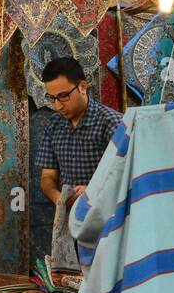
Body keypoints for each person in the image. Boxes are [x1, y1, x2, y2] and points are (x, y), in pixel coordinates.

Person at [37, 57, 122, 212]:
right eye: (52, 98)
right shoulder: (53, 125)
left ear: (82, 87)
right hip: (69, 217)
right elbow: (47, 176)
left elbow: (126, 175)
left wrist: (91, 192)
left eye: (63, 96)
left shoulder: (113, 123)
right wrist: (58, 198)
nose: (57, 105)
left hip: (106, 218)